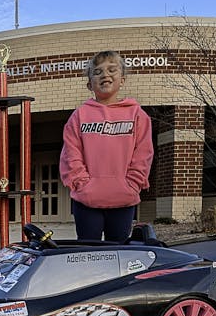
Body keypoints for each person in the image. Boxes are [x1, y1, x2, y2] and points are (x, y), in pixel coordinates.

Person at [59, 50, 154, 242]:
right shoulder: (79, 116)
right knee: (88, 252)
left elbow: (143, 154)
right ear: (89, 84)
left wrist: (132, 183)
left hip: (123, 199)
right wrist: (82, 183)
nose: (105, 74)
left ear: (123, 79)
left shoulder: (137, 115)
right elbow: (71, 153)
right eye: (98, 71)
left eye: (112, 70)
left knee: (118, 252)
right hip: (86, 201)